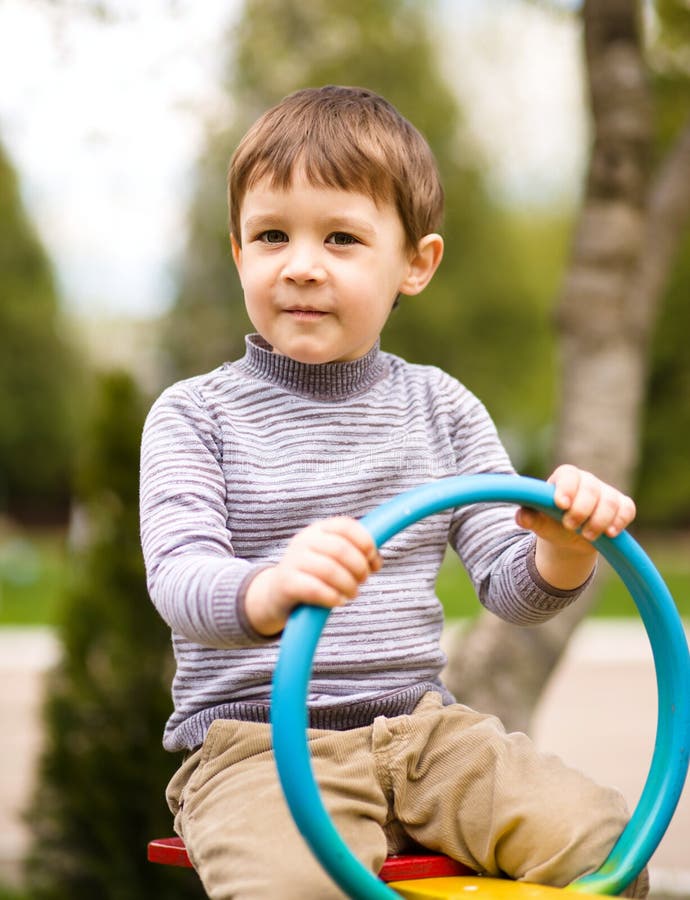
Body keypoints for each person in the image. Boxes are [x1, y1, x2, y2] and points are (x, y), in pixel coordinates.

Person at [140, 85, 646, 900]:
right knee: (296, 886)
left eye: (341, 237)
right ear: (238, 253)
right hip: (258, 747)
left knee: (602, 845)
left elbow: (512, 590)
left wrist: (561, 548)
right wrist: (272, 588)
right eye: (271, 236)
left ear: (415, 263)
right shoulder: (195, 415)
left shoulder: (442, 408)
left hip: (426, 735)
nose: (301, 264)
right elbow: (179, 579)